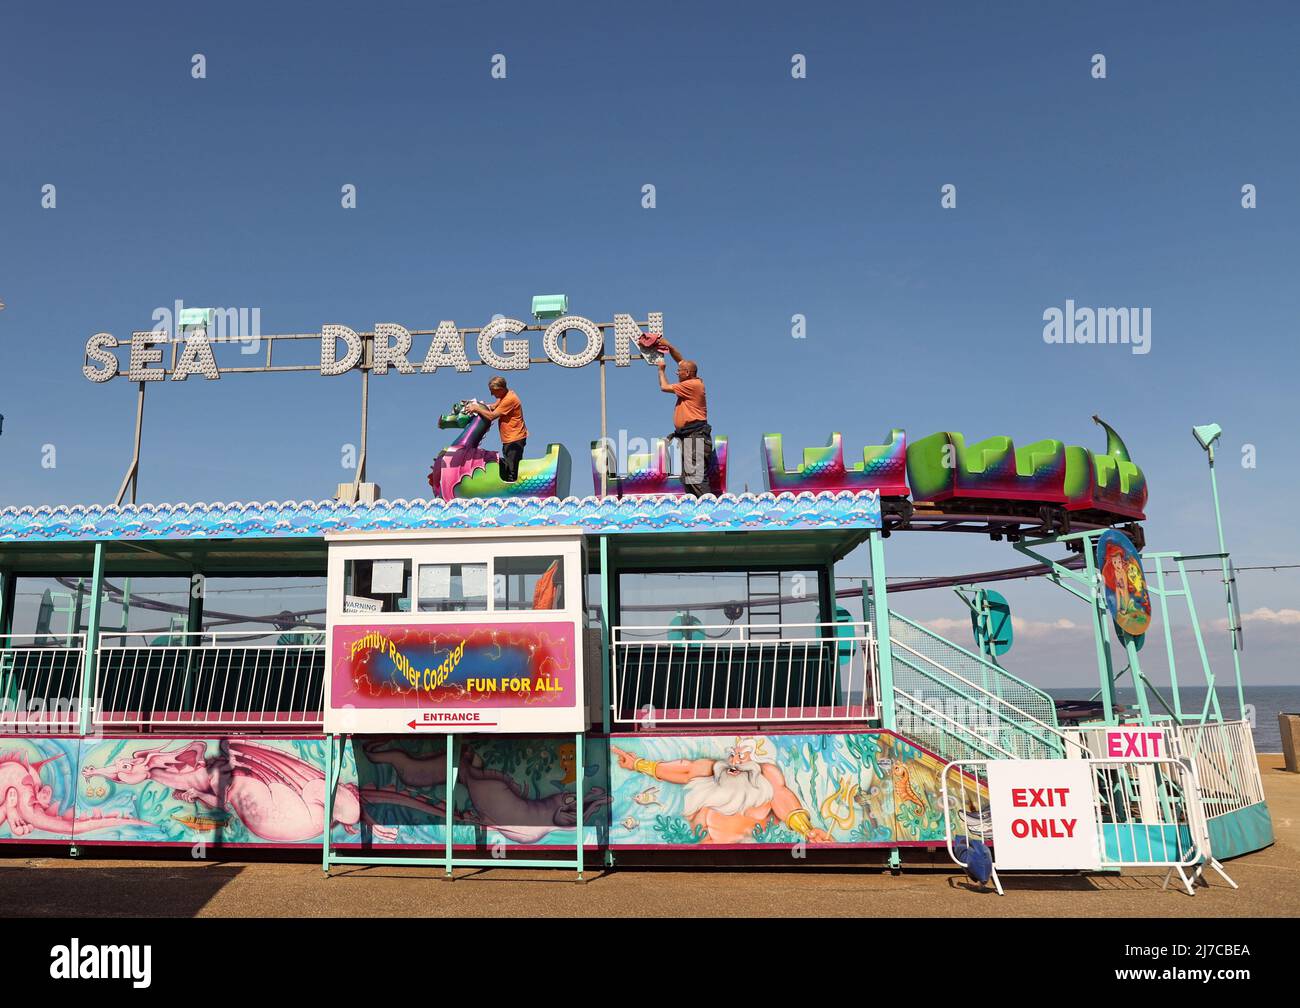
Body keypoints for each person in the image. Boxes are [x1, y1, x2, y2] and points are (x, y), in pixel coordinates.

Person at [654, 340, 713, 497]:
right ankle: (697, 510)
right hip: (688, 437)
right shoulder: (693, 381)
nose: (677, 372)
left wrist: (661, 370)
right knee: (688, 477)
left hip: (695, 436)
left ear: (687, 373)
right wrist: (670, 347)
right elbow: (680, 360)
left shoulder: (692, 385)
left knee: (695, 476)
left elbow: (664, 387)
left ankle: (710, 510)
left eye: (679, 371)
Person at [465, 377, 528, 482]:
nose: (492, 395)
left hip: (515, 439)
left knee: (512, 470)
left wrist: (476, 409)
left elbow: (491, 416)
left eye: (493, 392)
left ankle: (513, 492)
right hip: (508, 439)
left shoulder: (510, 399)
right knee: (508, 465)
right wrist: (477, 405)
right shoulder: (503, 397)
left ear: (501, 389)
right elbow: (493, 407)